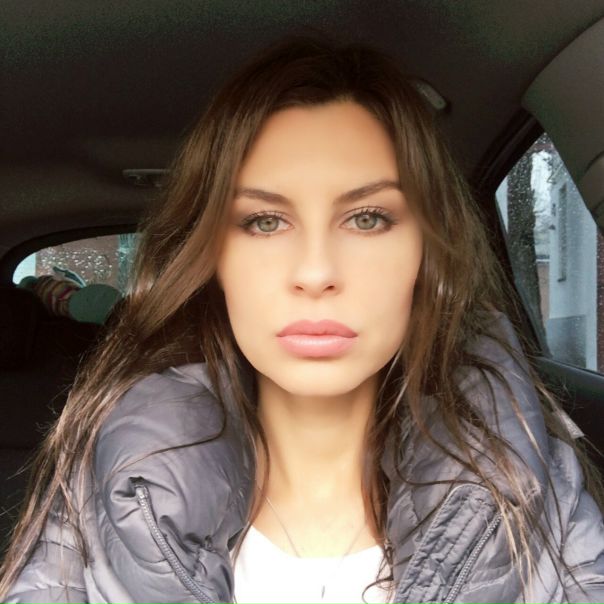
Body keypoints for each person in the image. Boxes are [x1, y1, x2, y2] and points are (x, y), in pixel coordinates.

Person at [1, 32, 604, 604]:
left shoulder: (533, 499)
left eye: (367, 218)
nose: (316, 272)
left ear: (426, 256)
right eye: (265, 222)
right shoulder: (108, 504)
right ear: (214, 261)